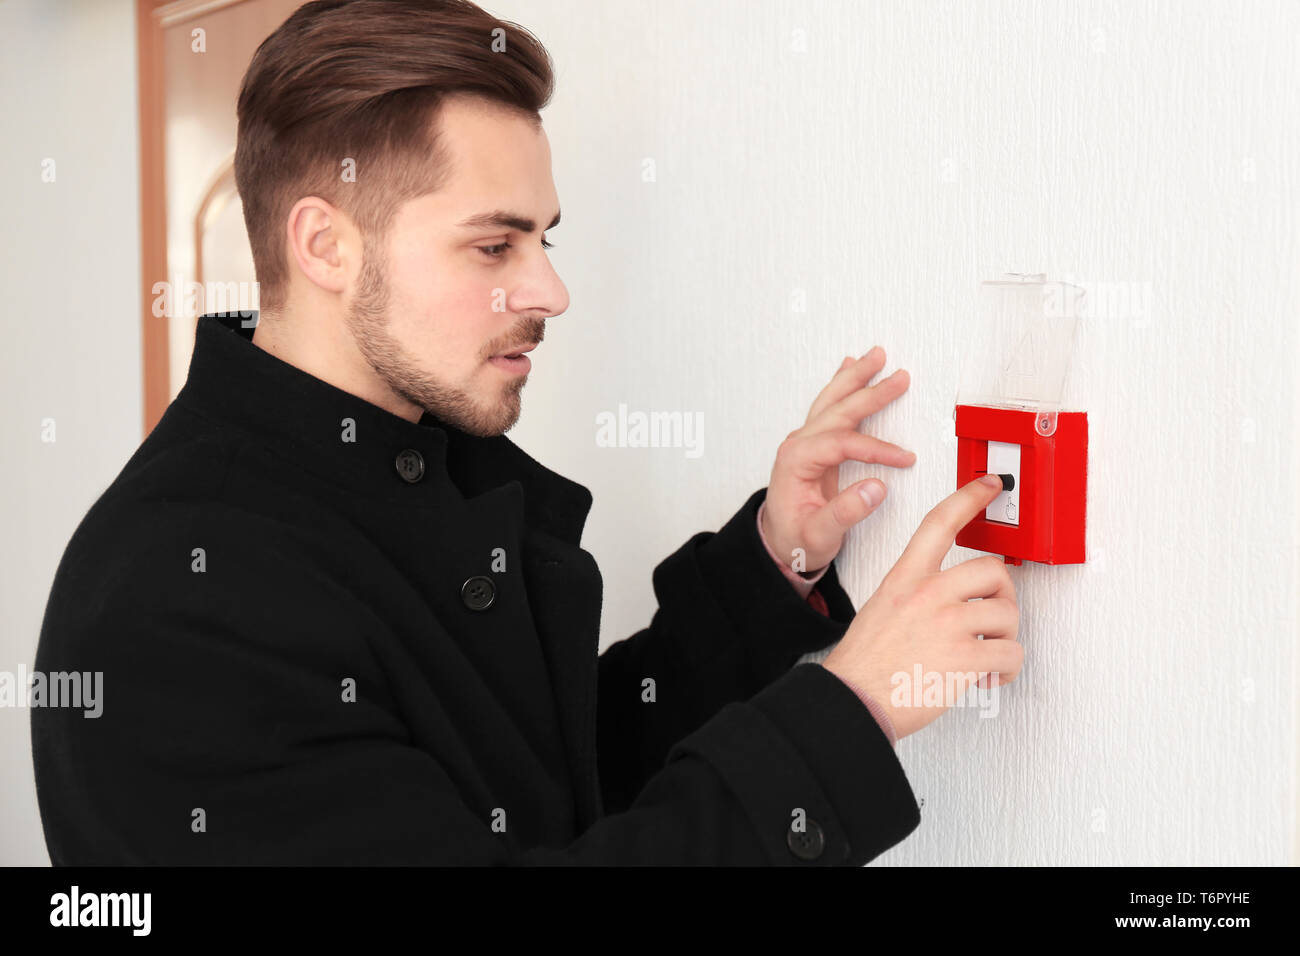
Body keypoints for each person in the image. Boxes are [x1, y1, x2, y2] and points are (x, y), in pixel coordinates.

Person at [31, 0, 1021, 865]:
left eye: (542, 238)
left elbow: (550, 777)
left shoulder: (402, 466)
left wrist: (770, 564)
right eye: (493, 243)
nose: (550, 289)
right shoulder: (181, 592)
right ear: (326, 245)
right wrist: (854, 707)